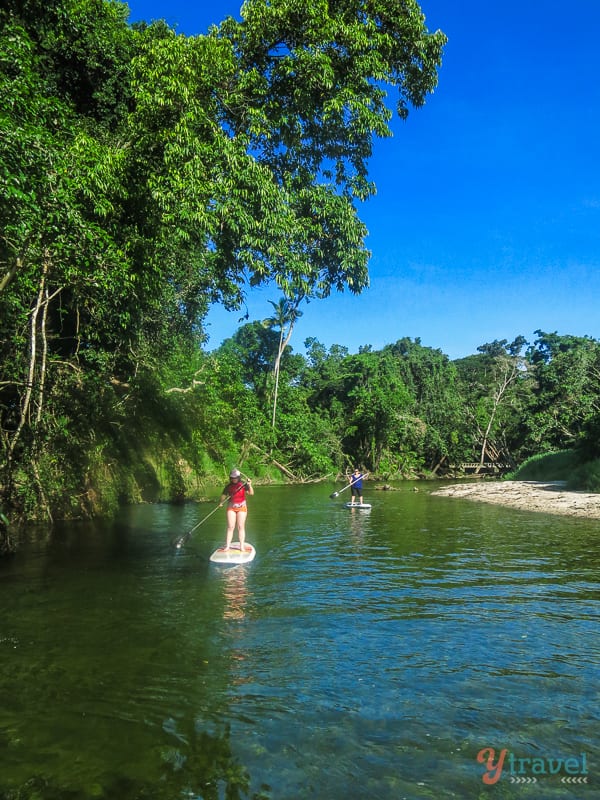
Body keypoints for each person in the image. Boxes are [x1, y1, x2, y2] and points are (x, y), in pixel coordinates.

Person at [219, 468, 254, 552]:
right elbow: (223, 495)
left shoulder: (243, 484)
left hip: (242, 507)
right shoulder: (228, 486)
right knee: (230, 526)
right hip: (231, 507)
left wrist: (249, 484)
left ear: (238, 477)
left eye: (235, 477)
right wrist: (221, 502)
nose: (234, 479)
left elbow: (251, 493)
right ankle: (227, 546)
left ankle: (242, 546)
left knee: (240, 526)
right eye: (232, 478)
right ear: (230, 478)